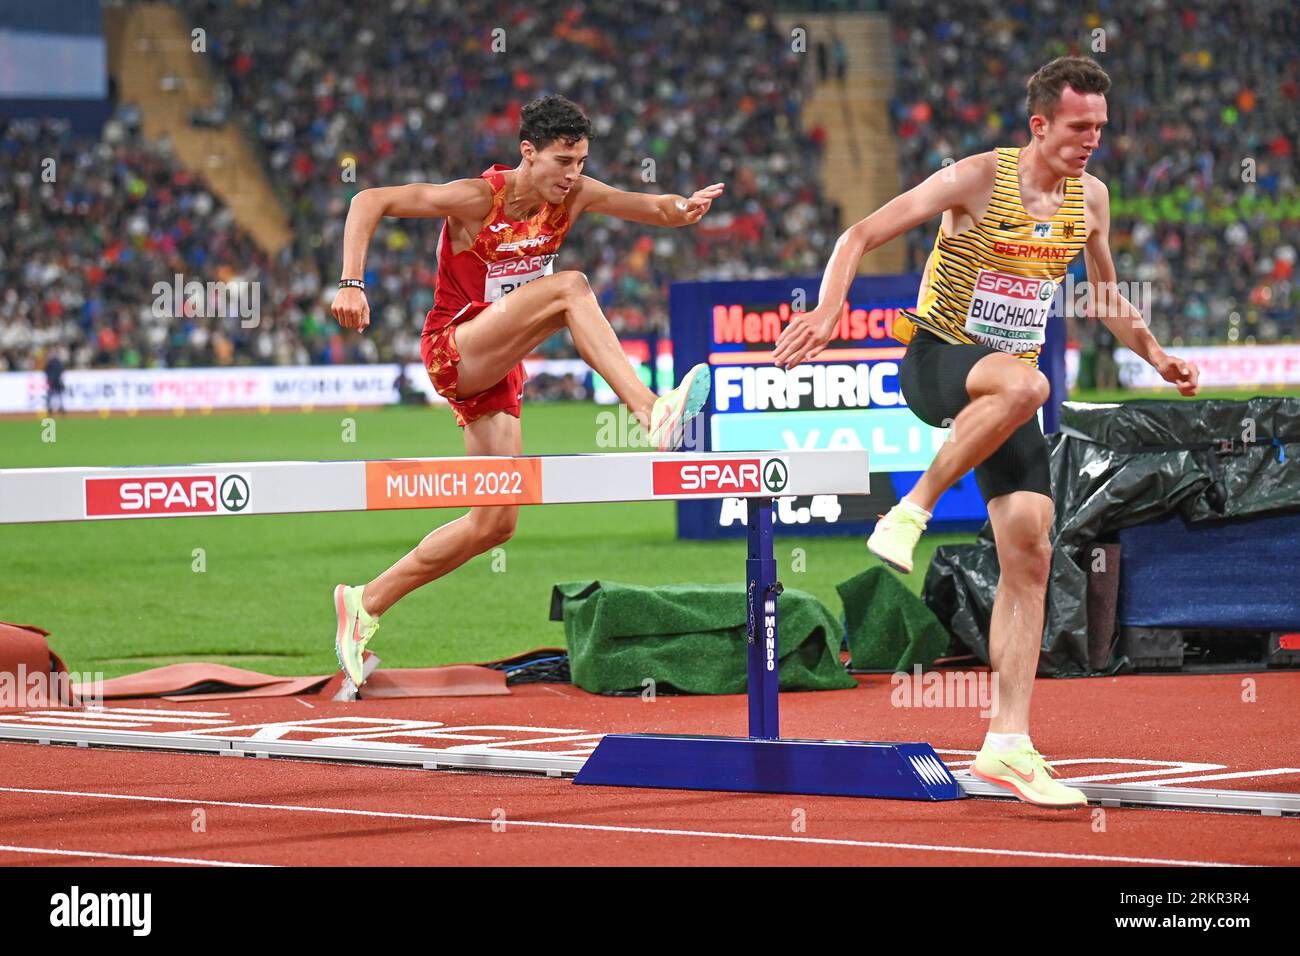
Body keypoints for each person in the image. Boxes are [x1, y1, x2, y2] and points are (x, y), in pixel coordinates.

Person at [774, 57, 1200, 808]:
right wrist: (829, 309)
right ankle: (911, 510)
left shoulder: (1091, 201)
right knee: (1027, 381)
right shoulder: (974, 178)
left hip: (1002, 395)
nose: (1091, 140)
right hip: (939, 363)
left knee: (1031, 551)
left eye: (1099, 127)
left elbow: (1105, 297)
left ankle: (1008, 744)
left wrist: (1158, 353)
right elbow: (861, 231)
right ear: (1040, 125)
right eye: (1078, 127)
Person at [330, 94, 722, 687]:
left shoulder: (578, 195)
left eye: (582, 161)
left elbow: (649, 207)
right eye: (563, 161)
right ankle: (650, 411)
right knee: (571, 288)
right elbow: (369, 198)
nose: (574, 175)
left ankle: (364, 604)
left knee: (495, 521)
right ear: (528, 153)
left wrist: (683, 206)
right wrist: (353, 282)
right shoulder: (475, 199)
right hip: (454, 347)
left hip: (499, 364)